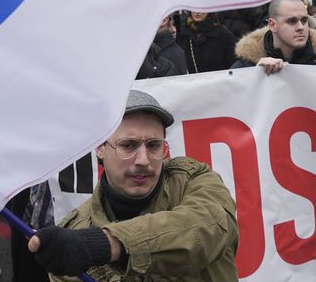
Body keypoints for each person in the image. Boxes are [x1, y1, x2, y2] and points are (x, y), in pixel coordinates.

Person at [28, 90, 238, 281]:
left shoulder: (195, 180)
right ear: (100, 148)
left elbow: (210, 228)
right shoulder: (74, 236)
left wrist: (109, 244)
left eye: (154, 146)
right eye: (128, 146)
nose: (143, 160)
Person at [232, 0, 316, 71]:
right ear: (273, 25)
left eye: (304, 21)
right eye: (292, 21)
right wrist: (254, 75)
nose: (301, 27)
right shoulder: (248, 61)